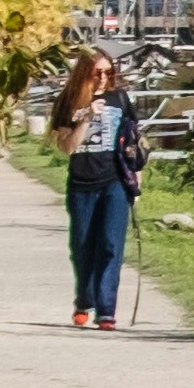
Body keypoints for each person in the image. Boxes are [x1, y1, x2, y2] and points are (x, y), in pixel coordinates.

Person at [60, 54, 144, 332]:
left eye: (109, 72)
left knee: (110, 245)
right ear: (85, 72)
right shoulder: (68, 101)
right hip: (82, 183)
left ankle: (106, 311)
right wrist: (86, 117)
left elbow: (133, 141)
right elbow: (67, 147)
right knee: (83, 246)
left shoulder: (119, 98)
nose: (104, 78)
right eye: (97, 72)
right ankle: (85, 300)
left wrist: (137, 181)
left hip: (115, 181)